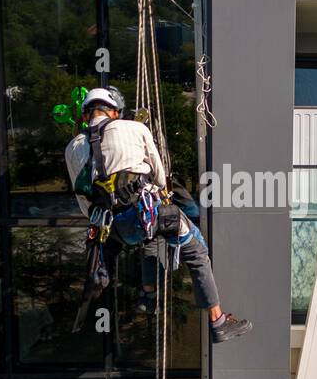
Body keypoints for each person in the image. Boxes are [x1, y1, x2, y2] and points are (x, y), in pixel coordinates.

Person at [65, 86, 252, 343]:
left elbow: (83, 202)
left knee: (150, 239)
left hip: (111, 227)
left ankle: (148, 295)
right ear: (114, 112)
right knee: (196, 253)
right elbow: (160, 177)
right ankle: (218, 321)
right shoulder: (134, 128)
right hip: (145, 214)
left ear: (86, 115)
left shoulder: (72, 148)